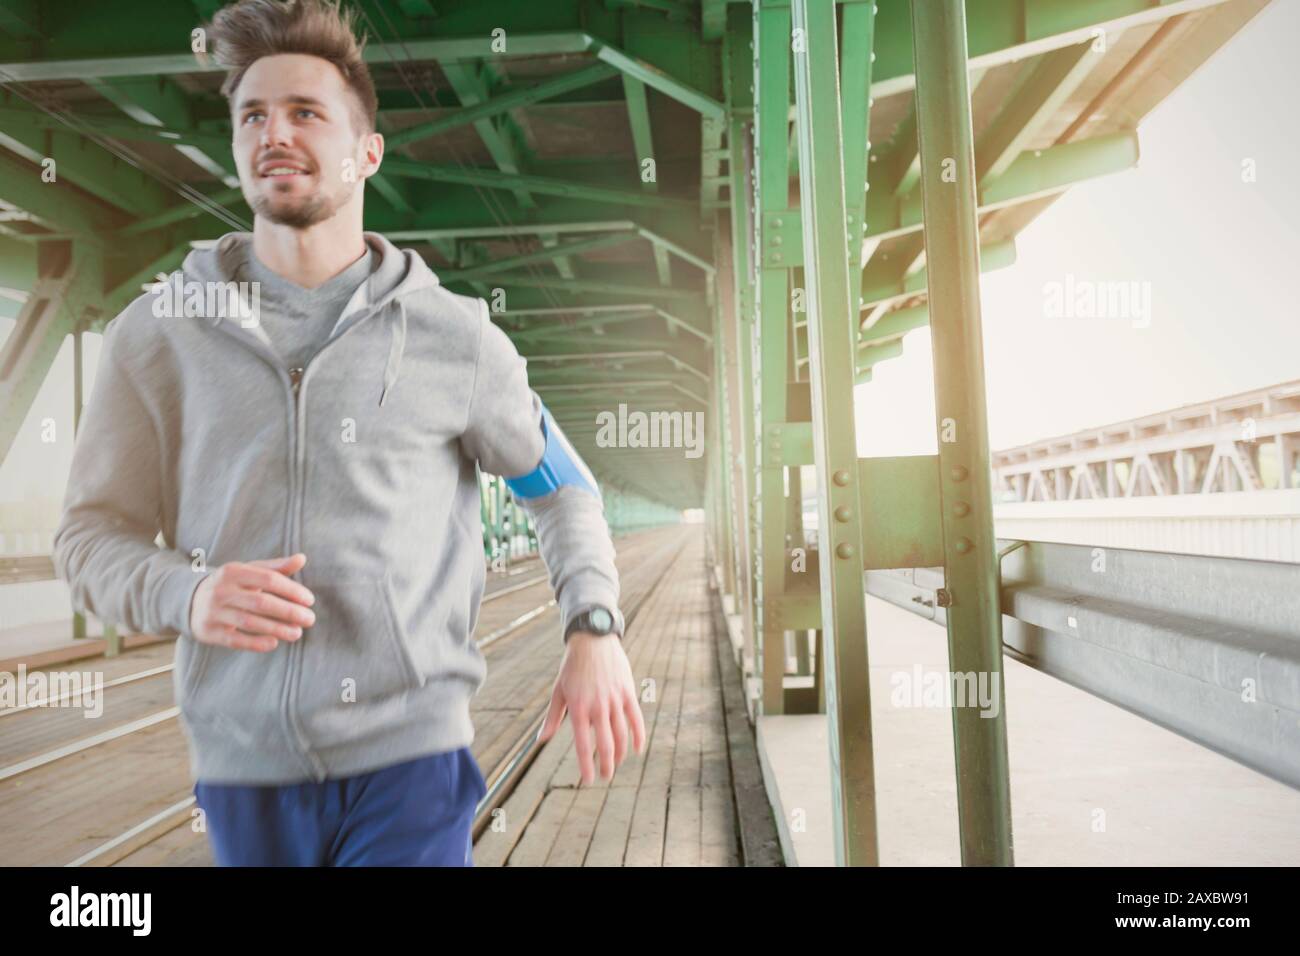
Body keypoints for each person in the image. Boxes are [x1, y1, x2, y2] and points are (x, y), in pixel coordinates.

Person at [51, 0, 645, 867]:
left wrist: (593, 624)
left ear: (368, 151)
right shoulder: (158, 333)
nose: (273, 134)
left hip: (410, 759)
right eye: (252, 115)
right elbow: (87, 537)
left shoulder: (459, 337)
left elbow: (558, 489)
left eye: (305, 113)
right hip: (241, 768)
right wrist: (189, 593)